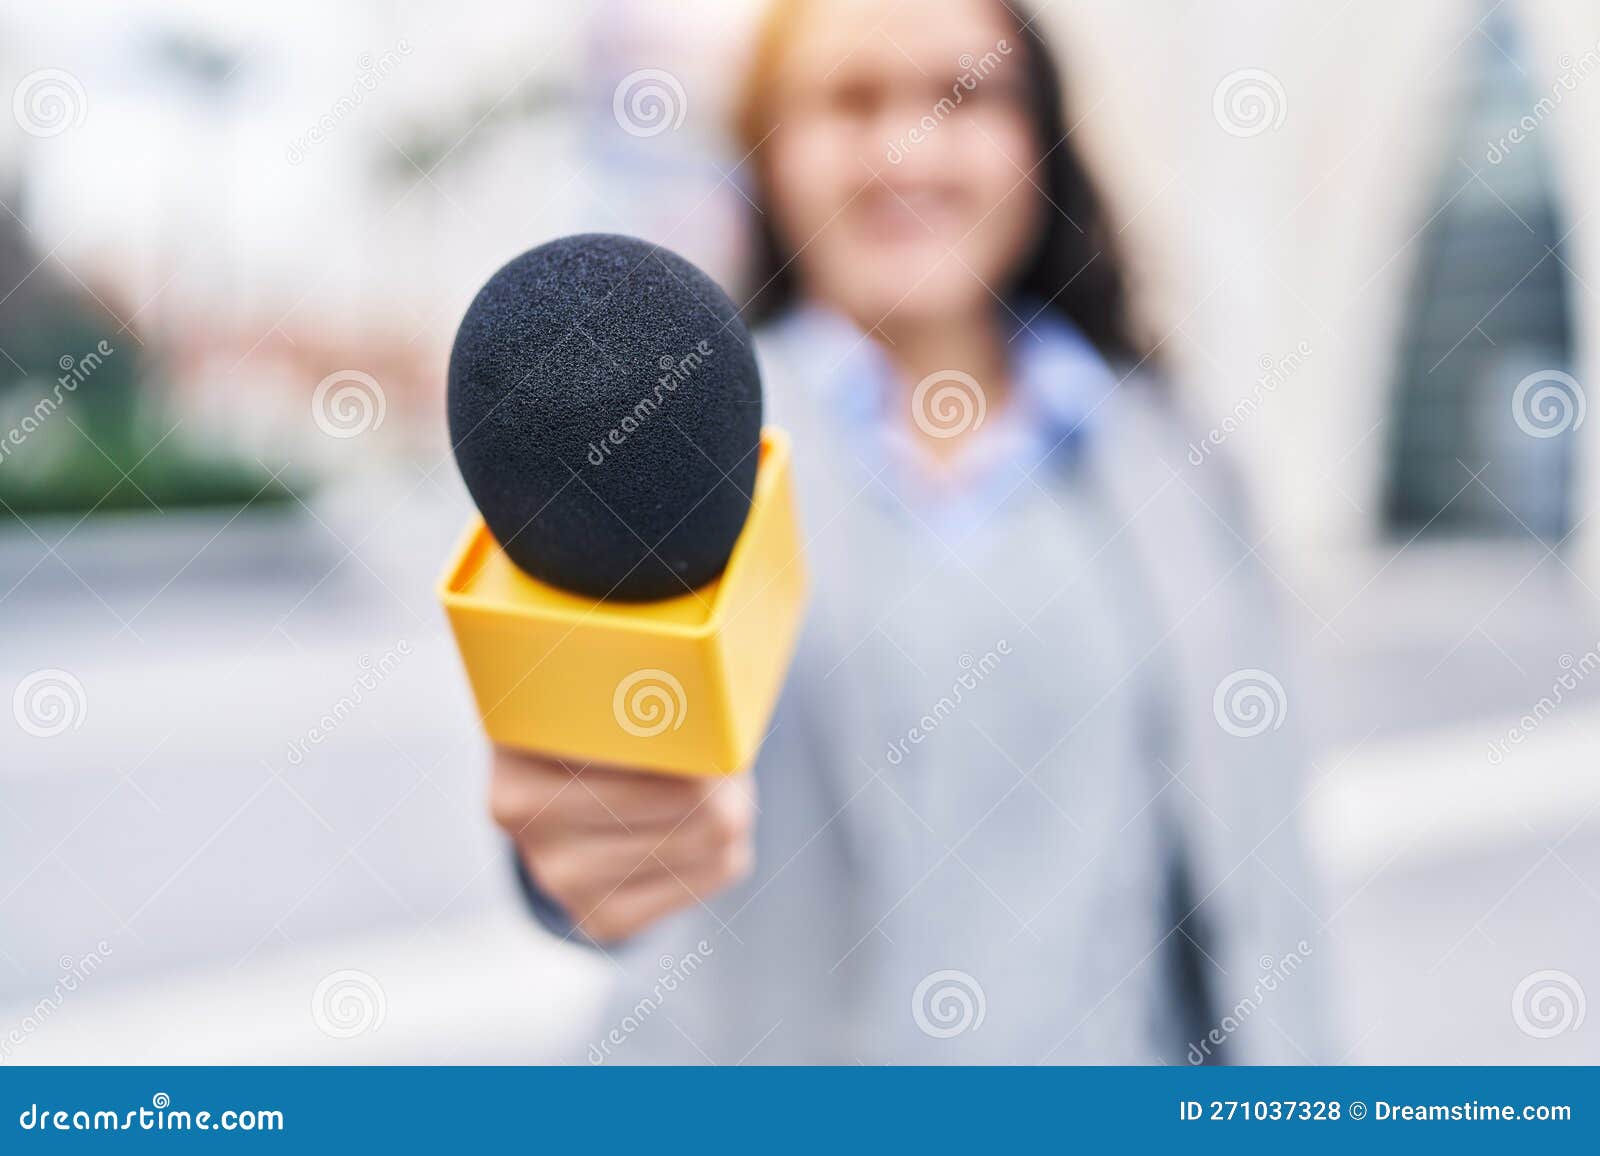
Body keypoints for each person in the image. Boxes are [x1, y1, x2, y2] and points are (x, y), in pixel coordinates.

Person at [488, 0, 1326, 1064]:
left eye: (961, 95)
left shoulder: (1176, 460)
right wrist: (579, 842)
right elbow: (583, 774)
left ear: (1037, 140)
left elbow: (1264, 874)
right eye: (848, 100)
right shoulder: (671, 443)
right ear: (768, 154)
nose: (904, 150)